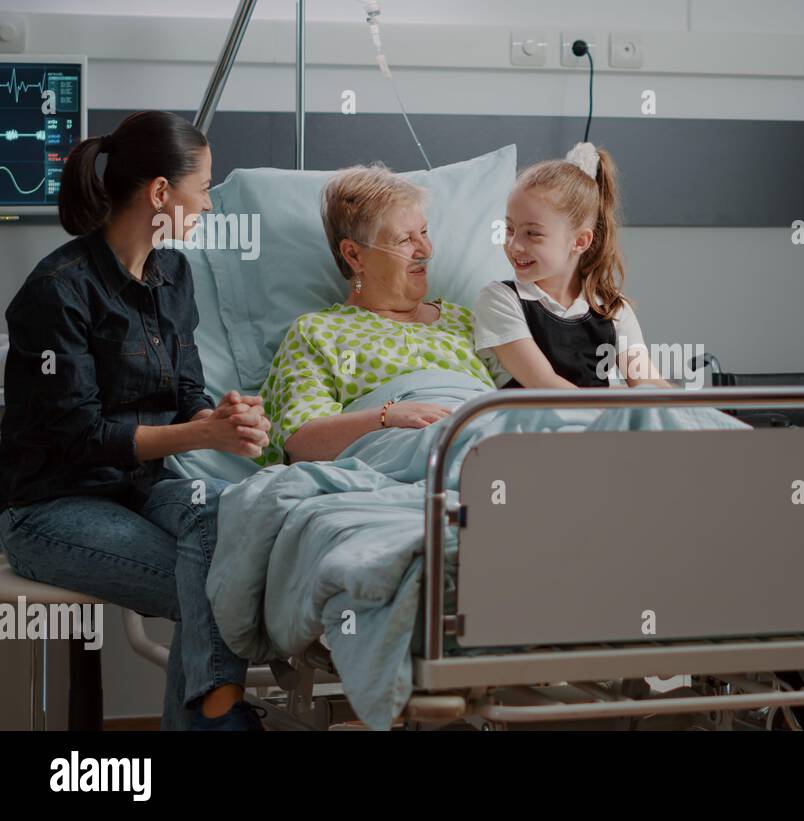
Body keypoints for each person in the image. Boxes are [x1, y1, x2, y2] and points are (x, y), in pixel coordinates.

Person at [0, 110, 271, 730]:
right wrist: (202, 433)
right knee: (206, 586)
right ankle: (215, 717)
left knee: (229, 512)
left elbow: (185, 391)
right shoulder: (58, 290)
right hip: (49, 506)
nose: (206, 204)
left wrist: (220, 414)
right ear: (160, 192)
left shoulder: (173, 274)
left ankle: (206, 716)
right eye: (202, 187)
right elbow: (80, 439)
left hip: (139, 491)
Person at [259, 164, 497, 465]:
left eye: (424, 232)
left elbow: (524, 400)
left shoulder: (468, 321)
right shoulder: (318, 332)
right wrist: (388, 416)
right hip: (398, 457)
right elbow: (300, 441)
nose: (426, 250)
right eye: (404, 240)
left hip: (490, 445)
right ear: (354, 255)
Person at [473, 142, 670, 389]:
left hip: (603, 421)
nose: (514, 245)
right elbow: (544, 384)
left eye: (532, 233)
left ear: (579, 241)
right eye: (509, 229)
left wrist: (689, 411)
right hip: (538, 423)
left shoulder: (612, 309)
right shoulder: (500, 300)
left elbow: (647, 382)